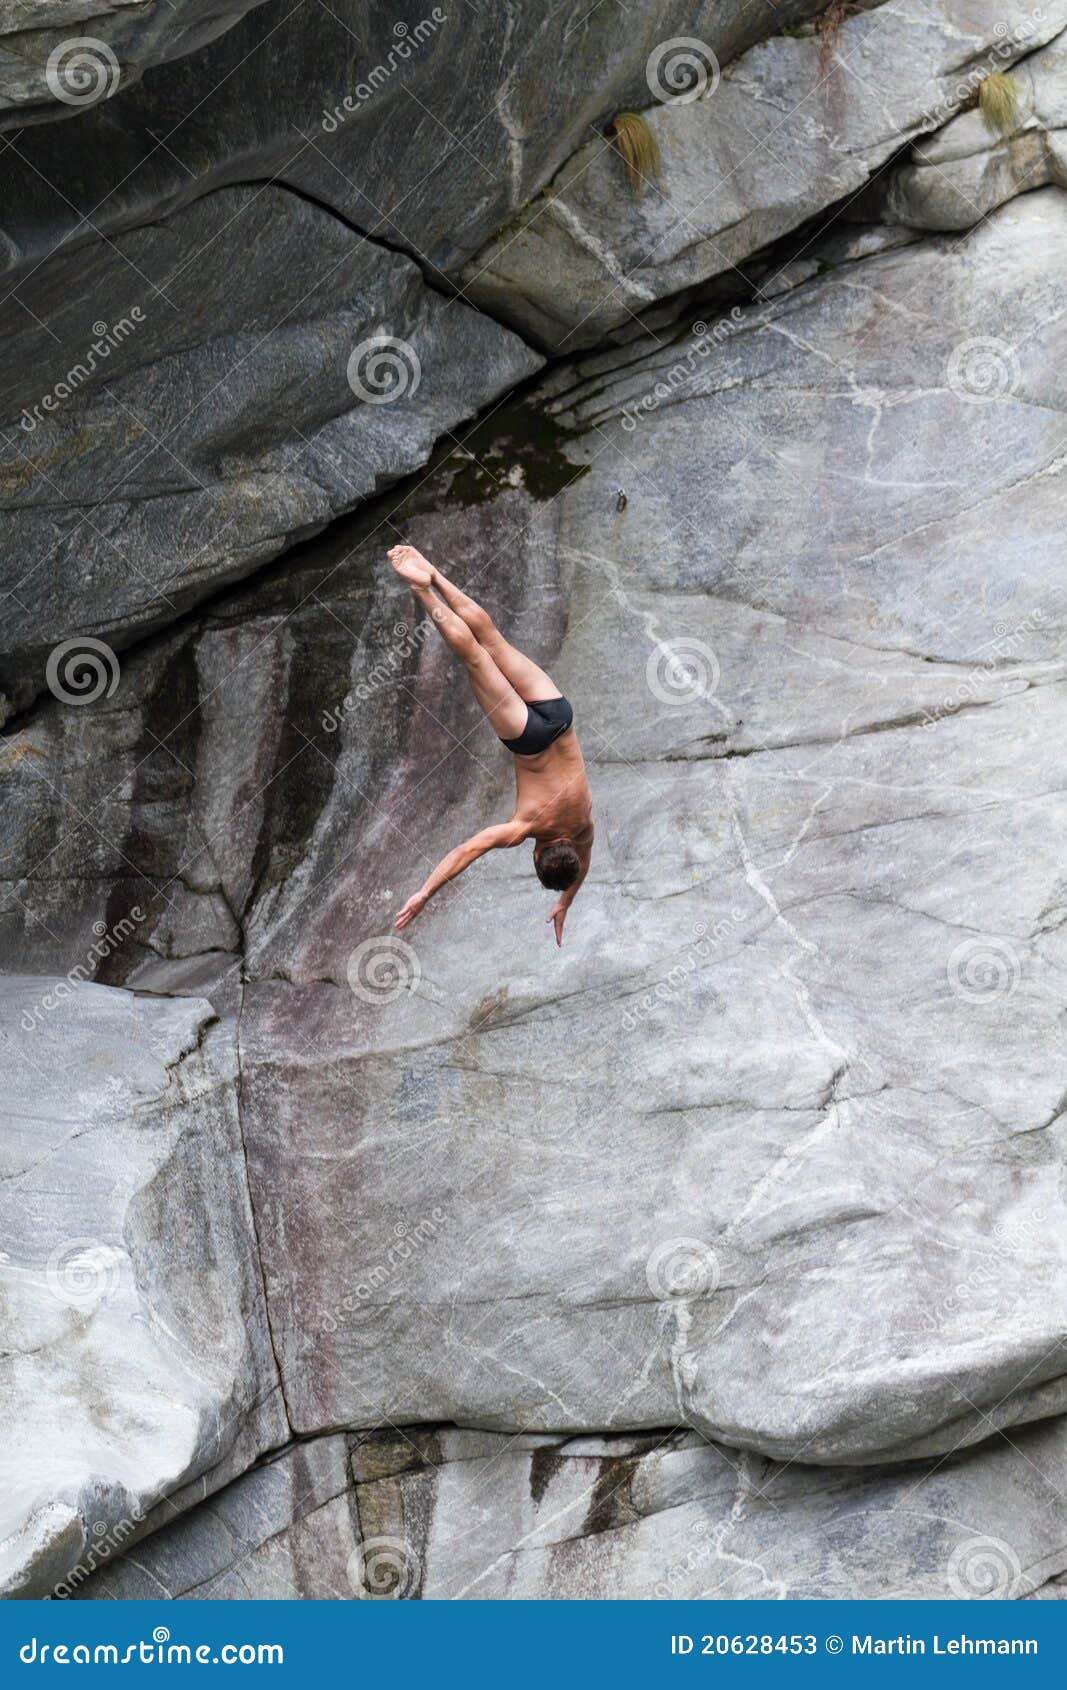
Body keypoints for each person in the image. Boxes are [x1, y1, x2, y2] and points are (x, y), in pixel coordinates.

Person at [387, 545, 593, 945]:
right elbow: (467, 851)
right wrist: (424, 894)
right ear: (536, 856)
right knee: (476, 658)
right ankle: (423, 591)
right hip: (528, 738)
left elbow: (583, 863)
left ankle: (433, 572)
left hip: (559, 717)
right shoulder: (526, 827)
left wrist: (568, 900)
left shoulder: (584, 825)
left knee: (491, 640)